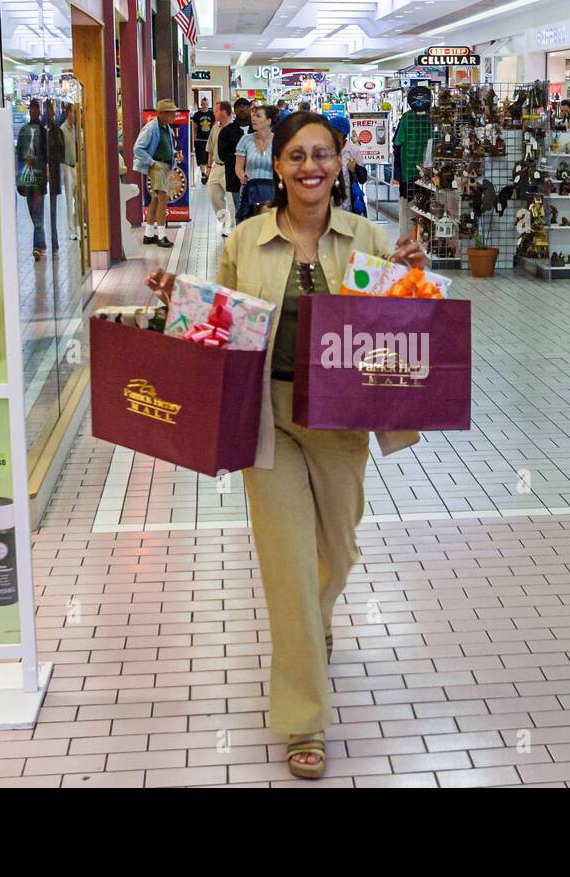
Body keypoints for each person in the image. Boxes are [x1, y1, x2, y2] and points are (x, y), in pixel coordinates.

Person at [144, 111, 425, 779]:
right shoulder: (246, 239)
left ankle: (315, 618)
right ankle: (304, 718)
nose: (309, 167)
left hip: (341, 421)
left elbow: (401, 323)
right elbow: (222, 321)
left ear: (339, 162)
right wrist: (177, 300)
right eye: (297, 155)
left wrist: (411, 275)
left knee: (338, 553)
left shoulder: (366, 235)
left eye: (321, 155)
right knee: (288, 568)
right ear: (278, 164)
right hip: (268, 419)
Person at [132, 98, 182, 247]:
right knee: (163, 198)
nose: (174, 116)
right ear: (162, 113)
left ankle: (148, 234)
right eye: (172, 113)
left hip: (164, 166)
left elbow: (166, 147)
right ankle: (161, 236)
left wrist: (174, 154)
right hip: (157, 166)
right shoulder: (151, 128)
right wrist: (152, 162)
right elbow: (138, 148)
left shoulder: (166, 128)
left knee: (155, 198)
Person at [16, 98, 48, 261]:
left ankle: (37, 246)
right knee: (33, 212)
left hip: (38, 179)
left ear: (39, 112)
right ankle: (41, 243)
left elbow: (46, 155)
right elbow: (18, 153)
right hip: (27, 180)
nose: (34, 112)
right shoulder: (24, 131)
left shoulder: (43, 132)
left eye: (36, 109)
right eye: (32, 110)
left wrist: (39, 164)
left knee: (38, 213)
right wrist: (24, 161)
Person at [235, 103, 276, 221]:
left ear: (268, 121)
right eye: (253, 115)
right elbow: (238, 167)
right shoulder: (245, 140)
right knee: (248, 223)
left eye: (258, 116)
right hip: (250, 189)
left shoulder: (279, 141)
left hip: (271, 190)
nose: (253, 118)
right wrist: (242, 176)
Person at [218, 98, 252, 222]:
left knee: (256, 213)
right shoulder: (227, 131)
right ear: (234, 110)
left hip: (257, 178)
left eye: (245, 106)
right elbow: (222, 154)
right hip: (235, 179)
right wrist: (241, 159)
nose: (242, 109)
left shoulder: (257, 130)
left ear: (249, 109)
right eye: (239, 107)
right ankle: (241, 234)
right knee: (241, 211)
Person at [206, 100, 233, 236]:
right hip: (216, 166)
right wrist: (208, 166)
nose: (214, 113)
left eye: (216, 110)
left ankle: (230, 226)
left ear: (224, 112)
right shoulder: (215, 128)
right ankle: (223, 220)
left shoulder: (235, 128)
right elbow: (210, 148)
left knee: (231, 198)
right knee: (213, 194)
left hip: (230, 167)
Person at [45, 105, 65, 253]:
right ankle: (51, 241)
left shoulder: (55, 131)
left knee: (52, 211)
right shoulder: (49, 131)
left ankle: (54, 241)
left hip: (52, 175)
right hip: (48, 175)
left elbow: (61, 153)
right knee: (46, 211)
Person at [59, 103, 79, 241]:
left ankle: (77, 226)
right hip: (67, 167)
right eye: (74, 112)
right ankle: (72, 230)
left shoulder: (76, 129)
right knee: (69, 201)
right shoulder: (63, 129)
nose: (76, 115)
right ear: (68, 113)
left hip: (76, 166)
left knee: (79, 200)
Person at [191, 97, 215, 184]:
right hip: (200, 139)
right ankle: (203, 174)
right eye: (203, 104)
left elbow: (214, 125)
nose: (205, 106)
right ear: (201, 105)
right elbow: (194, 127)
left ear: (208, 105)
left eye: (206, 104)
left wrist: (214, 137)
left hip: (209, 139)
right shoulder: (197, 114)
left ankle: (208, 173)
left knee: (209, 157)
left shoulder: (212, 114)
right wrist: (194, 137)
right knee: (201, 157)